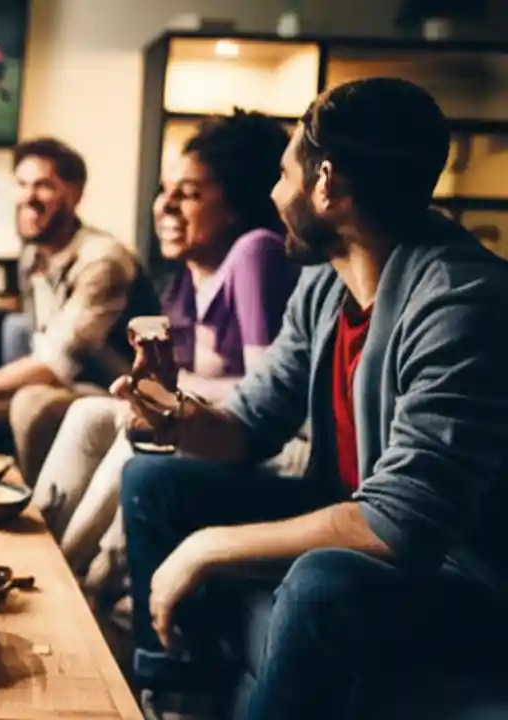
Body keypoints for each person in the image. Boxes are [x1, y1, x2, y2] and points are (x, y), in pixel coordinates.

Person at [117, 78, 508, 719]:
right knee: (151, 481)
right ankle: (180, 694)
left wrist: (205, 546)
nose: (274, 195)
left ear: (324, 183)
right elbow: (249, 425)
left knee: (321, 581)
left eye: (282, 174)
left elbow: (400, 524)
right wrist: (168, 409)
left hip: (465, 574)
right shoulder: (325, 287)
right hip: (350, 507)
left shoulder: (460, 302)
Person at [31, 111, 297, 599]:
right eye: (164, 190)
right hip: (206, 421)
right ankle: (40, 549)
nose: (166, 206)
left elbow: (267, 389)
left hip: (254, 441)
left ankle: (59, 579)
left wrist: (163, 390)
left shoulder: (256, 253)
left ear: (235, 203)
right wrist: (152, 386)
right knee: (89, 413)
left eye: (189, 193)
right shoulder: (190, 277)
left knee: (142, 435)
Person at [0, 137, 159, 484]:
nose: (28, 197)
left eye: (43, 185)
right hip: (67, 384)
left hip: (118, 392)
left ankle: (33, 509)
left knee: (30, 401)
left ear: (75, 193)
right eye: (22, 184)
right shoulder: (34, 255)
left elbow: (53, 366)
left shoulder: (102, 260)